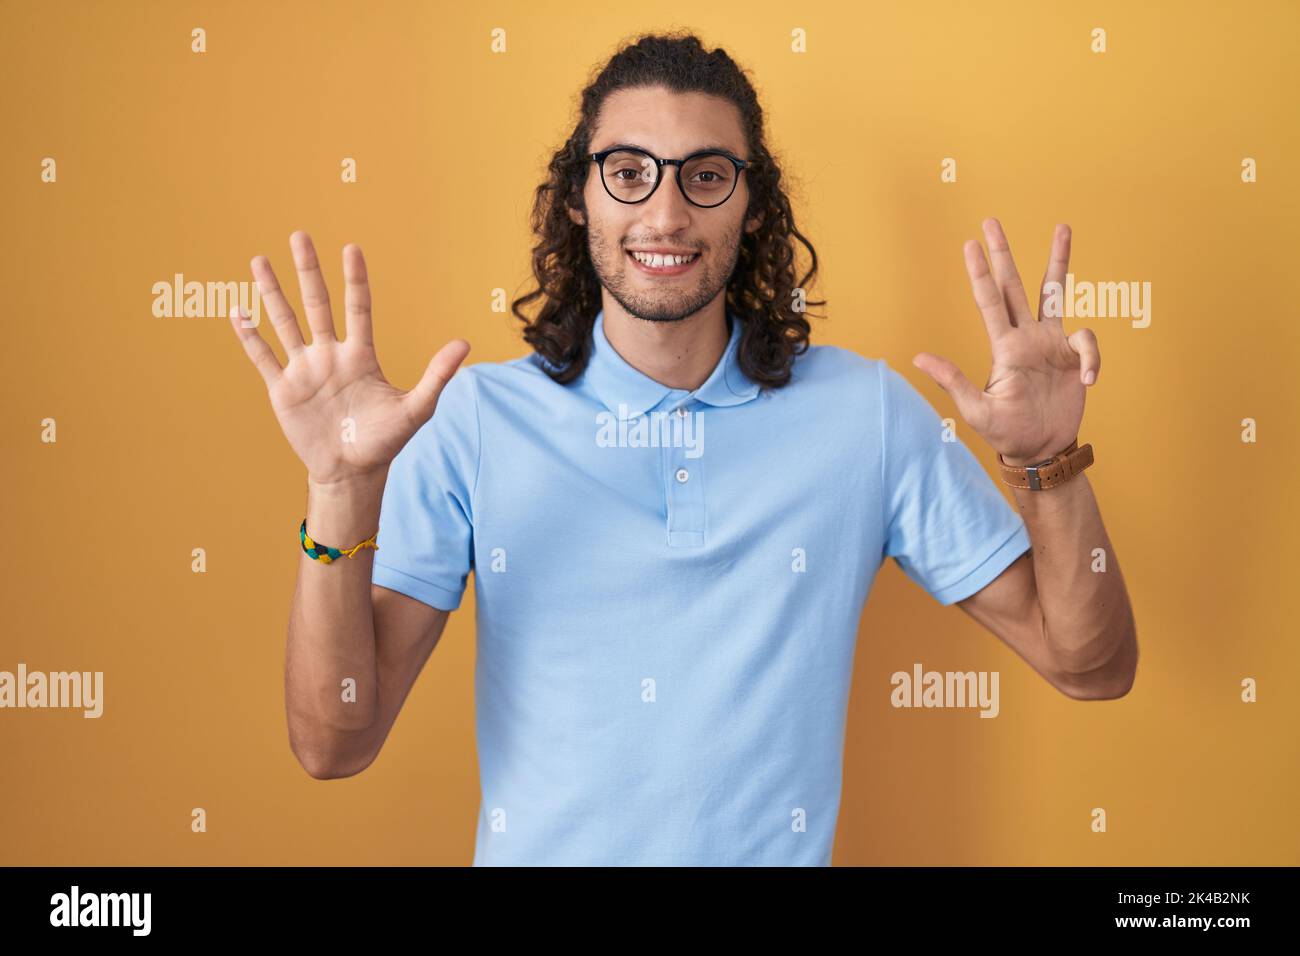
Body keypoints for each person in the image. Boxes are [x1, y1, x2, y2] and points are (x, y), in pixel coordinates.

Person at [228, 32, 1137, 866]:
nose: (664, 213)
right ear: (578, 199)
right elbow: (334, 744)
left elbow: (1091, 667)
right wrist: (340, 486)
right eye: (628, 171)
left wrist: (1048, 467)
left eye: (705, 175)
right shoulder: (475, 421)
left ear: (751, 205)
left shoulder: (867, 416)